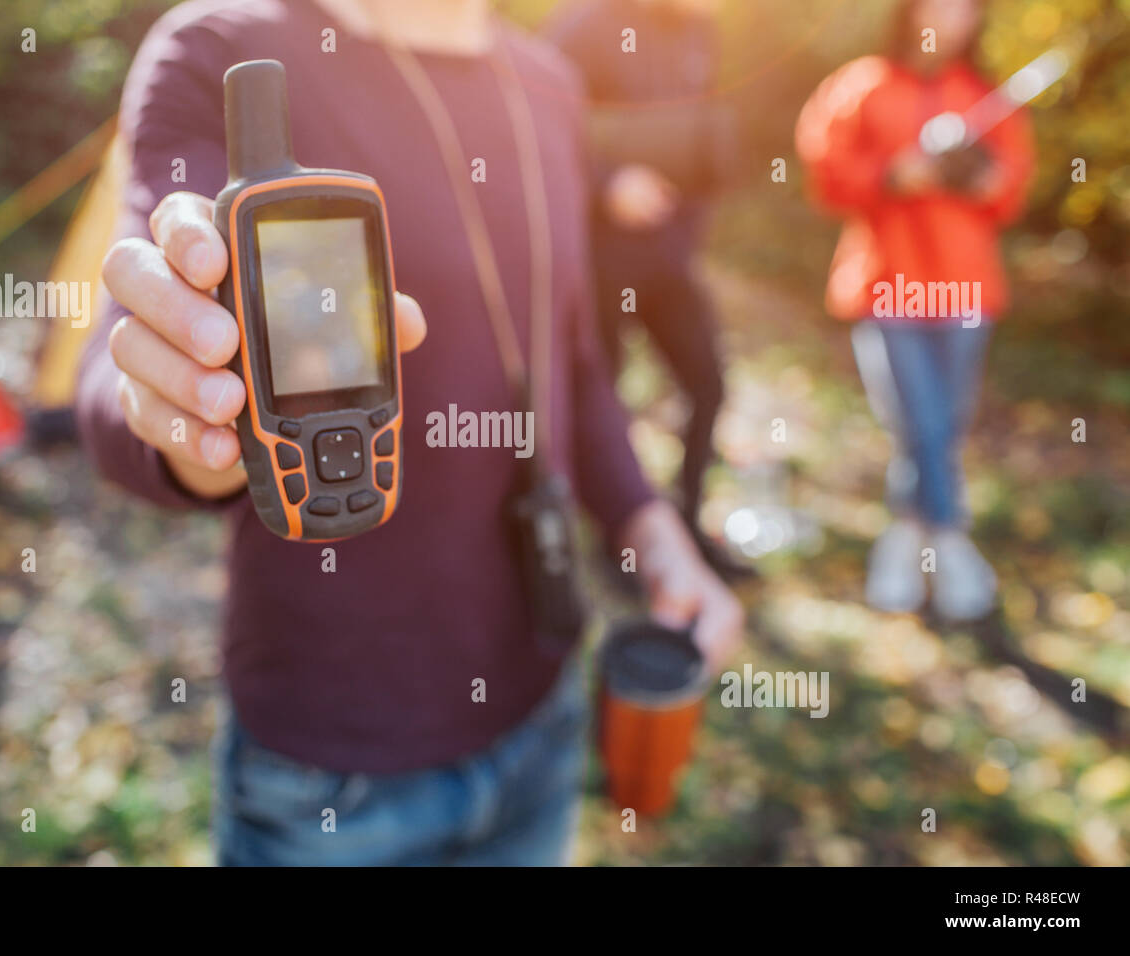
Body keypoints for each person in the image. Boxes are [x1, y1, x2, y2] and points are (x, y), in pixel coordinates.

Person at [78, 0, 742, 866]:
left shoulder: (547, 80)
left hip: (543, 714)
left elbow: (569, 364)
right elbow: (117, 371)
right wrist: (192, 417)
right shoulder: (225, 48)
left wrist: (652, 532)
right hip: (332, 771)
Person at [795, 0, 1033, 621]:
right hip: (888, 285)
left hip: (965, 291)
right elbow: (825, 168)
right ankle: (950, 541)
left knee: (940, 424)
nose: (950, 16)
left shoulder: (985, 97)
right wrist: (890, 175)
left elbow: (1013, 186)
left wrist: (986, 180)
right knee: (919, 420)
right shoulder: (862, 85)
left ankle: (904, 540)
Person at [545, 0, 730, 557]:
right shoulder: (587, 25)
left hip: (668, 257)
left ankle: (688, 526)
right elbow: (537, 120)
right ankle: (620, 544)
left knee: (708, 382)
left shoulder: (701, 33)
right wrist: (606, 184)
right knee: (607, 394)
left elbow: (699, 126)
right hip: (595, 255)